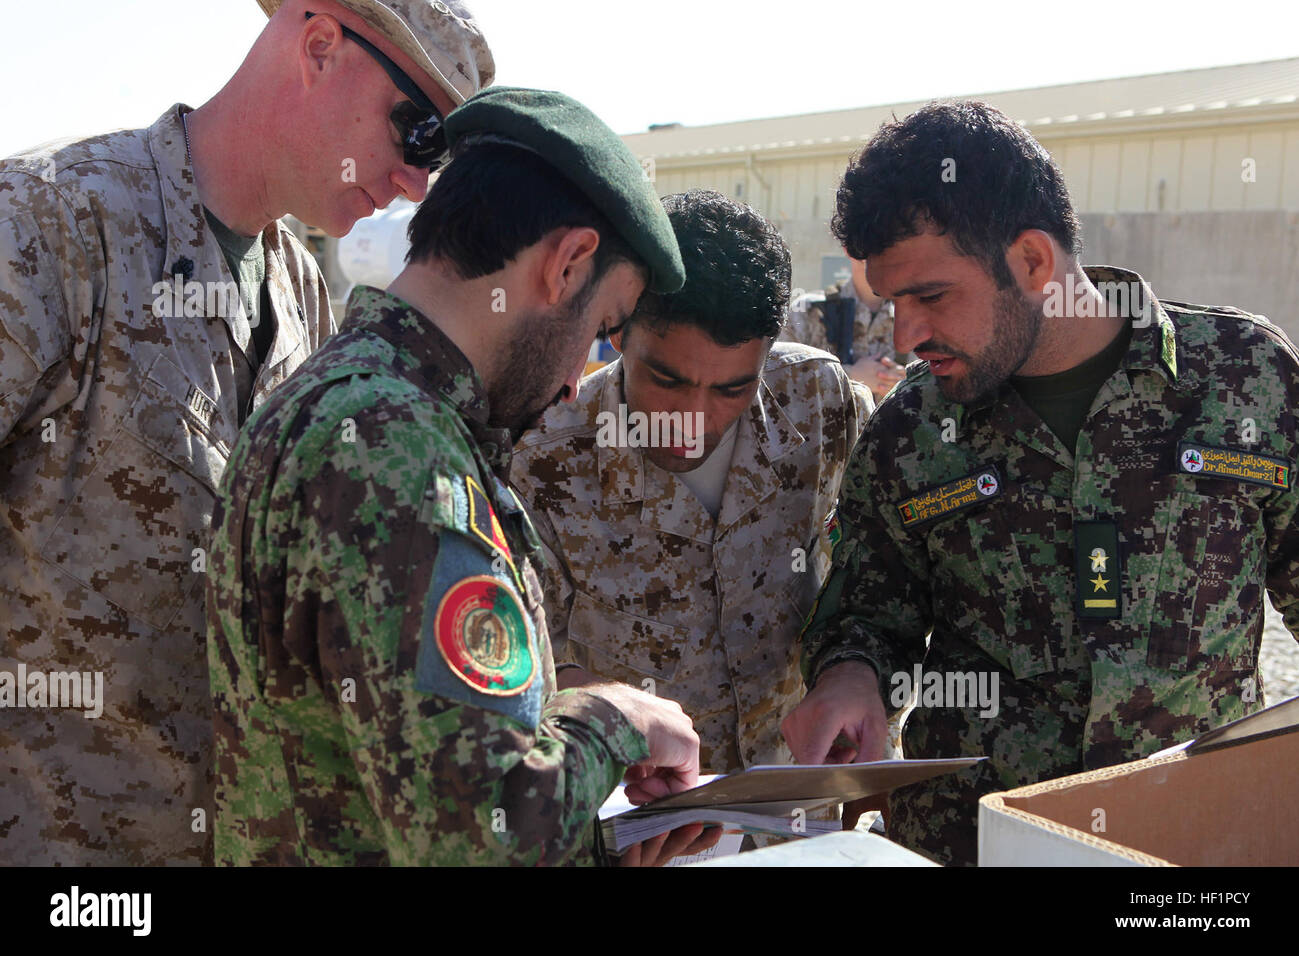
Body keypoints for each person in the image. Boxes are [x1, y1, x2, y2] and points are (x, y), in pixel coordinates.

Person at [0, 0, 493, 865]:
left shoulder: (301, 291)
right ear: (317, 46)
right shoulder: (50, 223)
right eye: (415, 132)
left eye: (441, 159)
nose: (418, 182)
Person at [782, 100, 1299, 866]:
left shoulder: (1245, 377)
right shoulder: (910, 429)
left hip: (1185, 849)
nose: (905, 338)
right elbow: (867, 615)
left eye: (930, 297)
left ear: (1031, 262)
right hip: (975, 844)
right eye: (892, 305)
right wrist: (853, 678)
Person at [206, 87, 710, 867]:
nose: (581, 379)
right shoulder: (398, 451)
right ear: (568, 264)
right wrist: (618, 718)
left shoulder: (331, 401)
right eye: (601, 329)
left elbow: (380, 782)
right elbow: (484, 837)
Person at [511, 189, 875, 784]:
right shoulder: (545, 459)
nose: (694, 419)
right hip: (642, 812)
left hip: (794, 800)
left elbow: (874, 576)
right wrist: (615, 721)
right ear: (620, 329)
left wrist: (849, 677)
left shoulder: (820, 402)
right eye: (667, 379)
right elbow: (528, 671)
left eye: (732, 389)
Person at [781, 254, 908, 402]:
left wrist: (906, 381)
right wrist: (849, 376)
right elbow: (779, 383)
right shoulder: (807, 311)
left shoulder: (915, 317)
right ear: (848, 247)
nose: (876, 248)